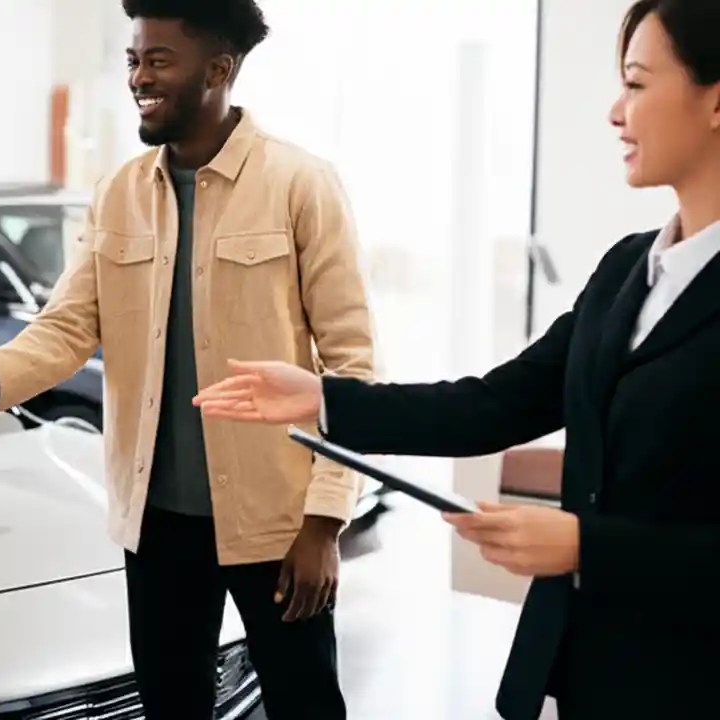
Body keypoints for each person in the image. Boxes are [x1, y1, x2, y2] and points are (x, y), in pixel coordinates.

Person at [193, 2, 720, 717]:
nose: (614, 111)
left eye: (636, 83)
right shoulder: (628, 270)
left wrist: (586, 546)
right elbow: (495, 404)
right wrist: (322, 397)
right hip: (594, 669)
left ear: (714, 99)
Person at [0, 1, 375, 716]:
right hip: (158, 524)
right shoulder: (120, 195)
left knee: (305, 706)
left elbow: (351, 366)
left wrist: (325, 523)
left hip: (277, 522)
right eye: (134, 60)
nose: (140, 77)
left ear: (219, 69)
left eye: (159, 60)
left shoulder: (301, 184)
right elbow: (67, 329)